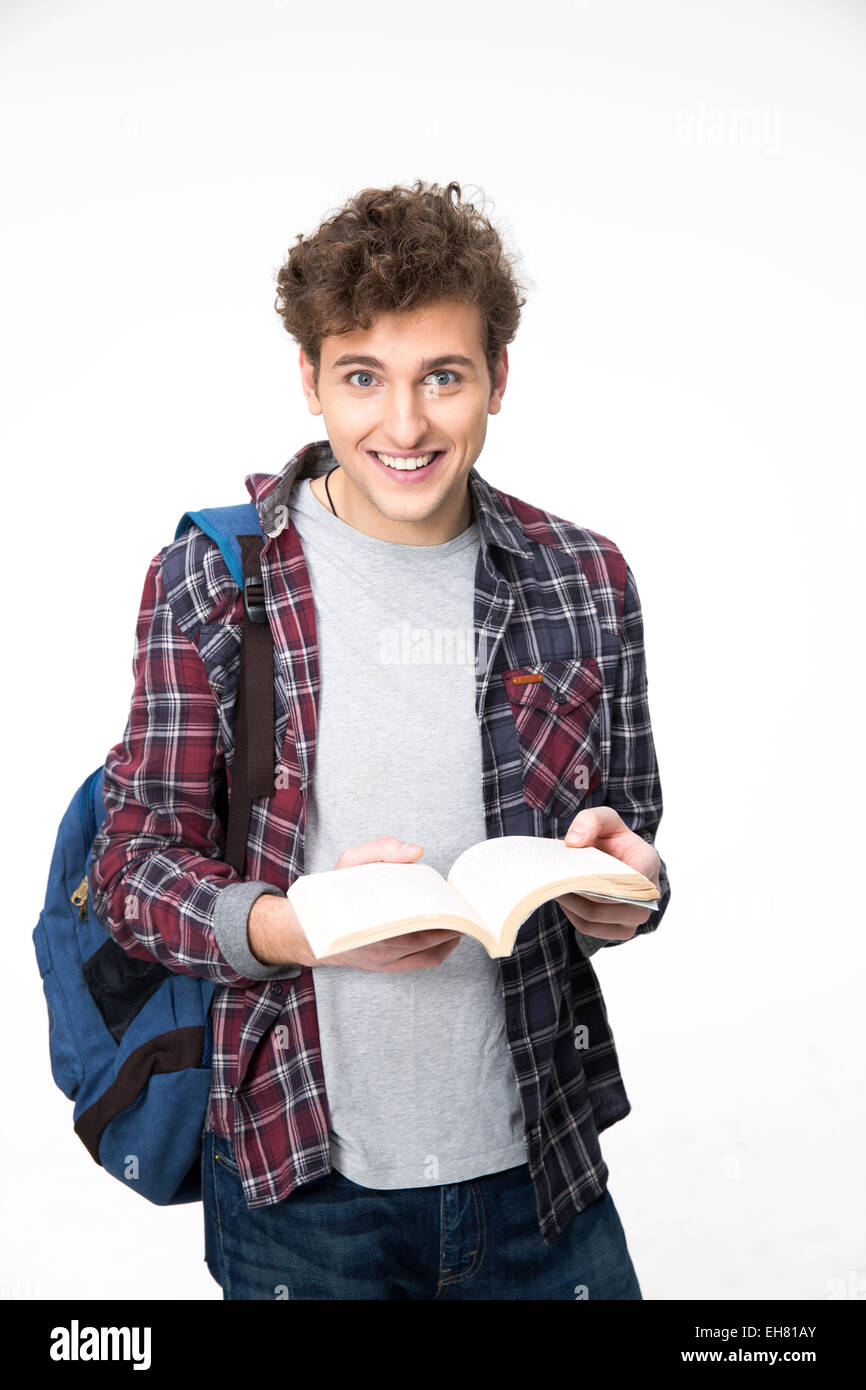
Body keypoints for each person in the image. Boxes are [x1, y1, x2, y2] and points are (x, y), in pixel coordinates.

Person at [90, 178, 671, 1300]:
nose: (402, 426)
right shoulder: (213, 582)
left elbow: (631, 833)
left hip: (539, 1171)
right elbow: (130, 870)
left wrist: (630, 881)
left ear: (497, 379)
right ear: (308, 379)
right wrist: (296, 924)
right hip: (304, 1186)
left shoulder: (585, 579)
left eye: (441, 377)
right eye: (363, 377)